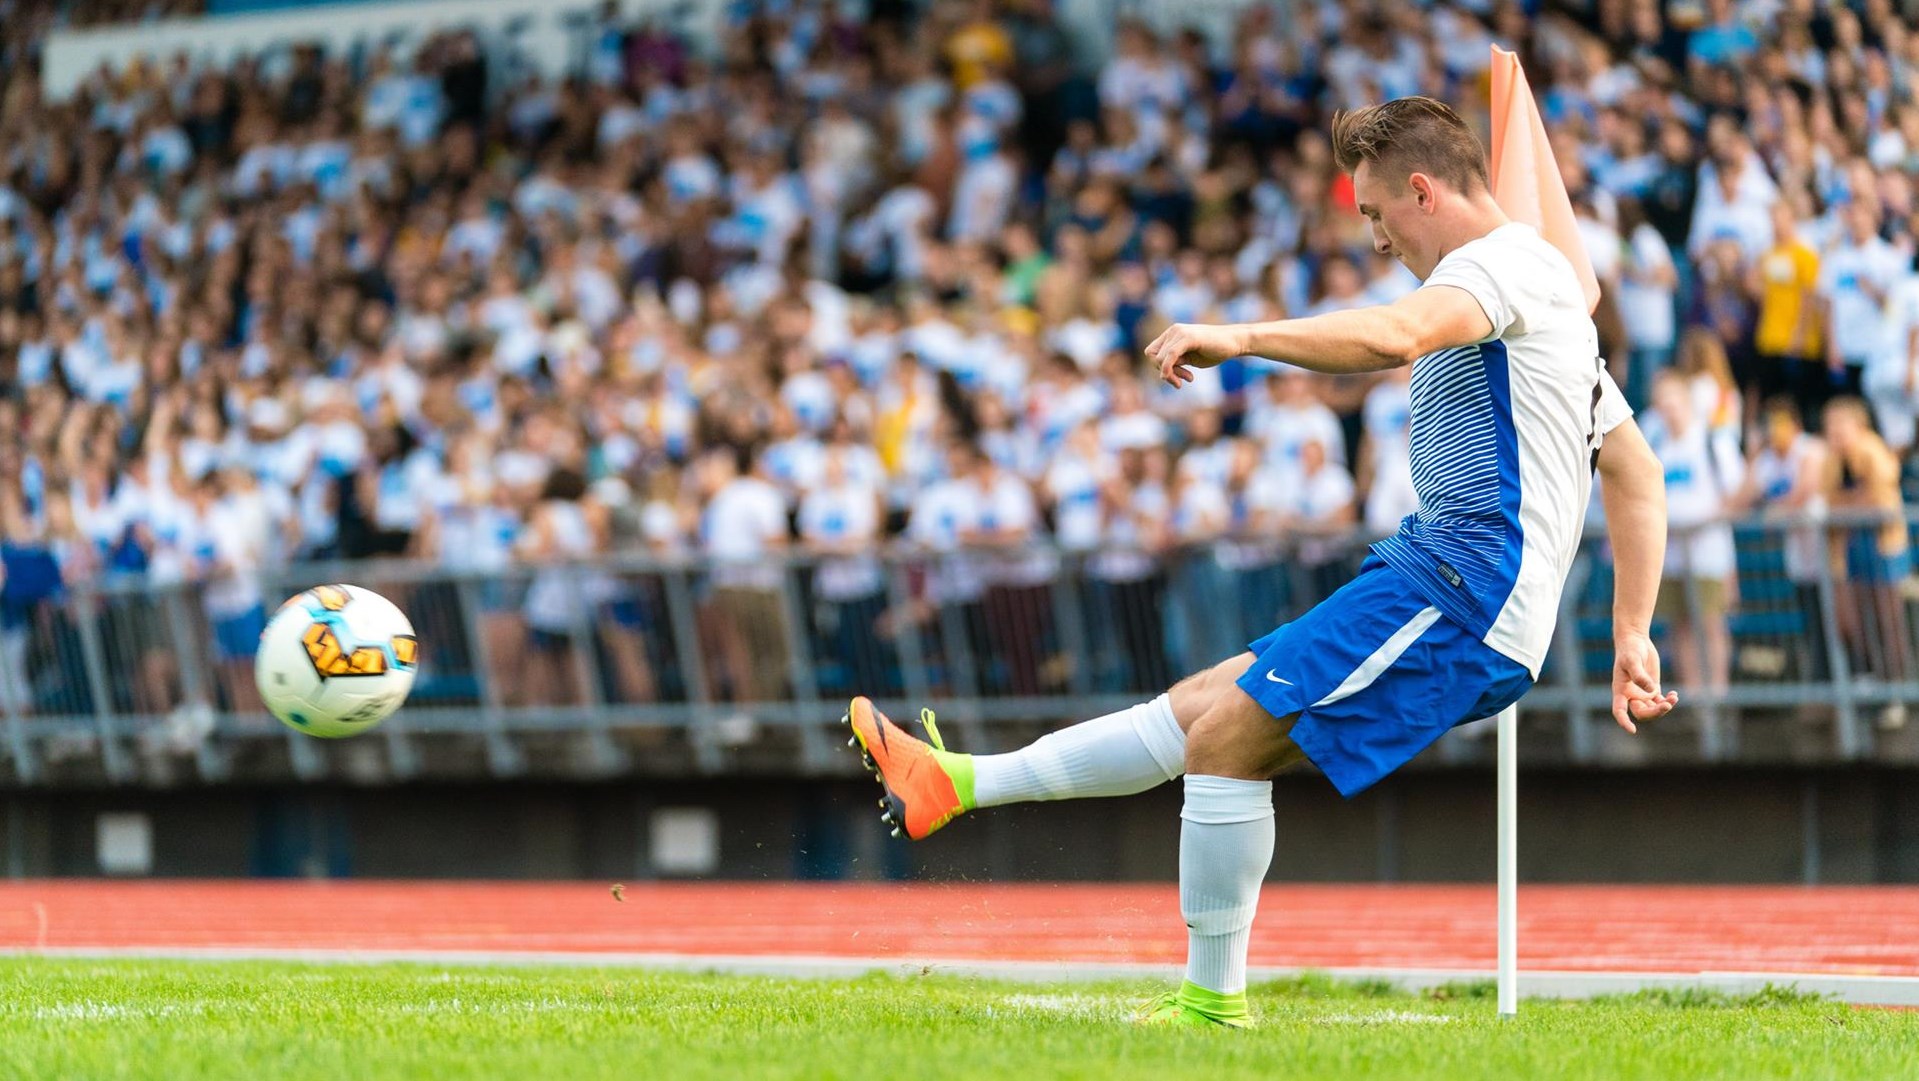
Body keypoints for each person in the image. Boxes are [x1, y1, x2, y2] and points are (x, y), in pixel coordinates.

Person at [842, 98, 1675, 1028]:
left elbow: (1395, 335)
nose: (1374, 237)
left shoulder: (1502, 265)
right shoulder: (1536, 289)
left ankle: (1210, 1006)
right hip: (1432, 577)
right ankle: (955, 785)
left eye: (1374, 213)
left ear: (1422, 191)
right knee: (1203, 704)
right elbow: (1635, 475)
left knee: (1226, 740)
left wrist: (1239, 339)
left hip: (1465, 595)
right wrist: (1630, 629)